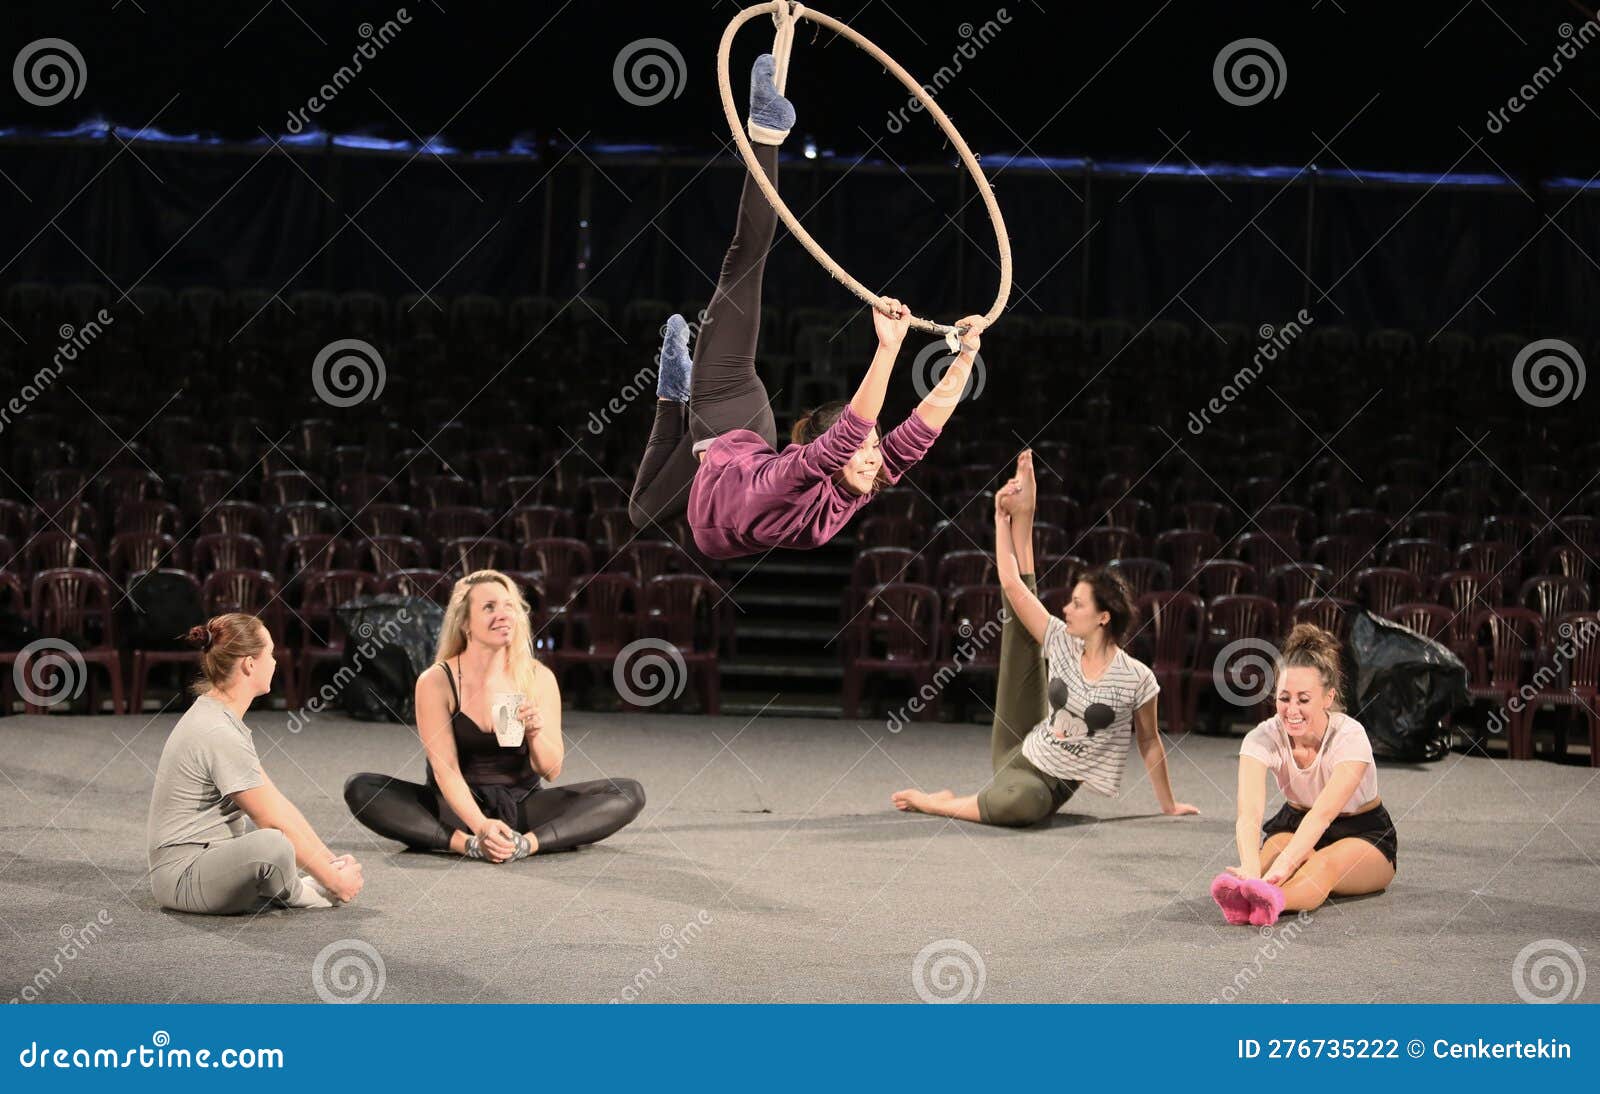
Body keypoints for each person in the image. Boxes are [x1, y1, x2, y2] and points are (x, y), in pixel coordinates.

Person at [627, 51, 987, 559]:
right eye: (870, 447)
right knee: (744, 263)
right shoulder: (849, 479)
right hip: (731, 419)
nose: (873, 457)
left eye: (863, 449)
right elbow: (921, 431)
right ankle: (767, 132)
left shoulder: (796, 477)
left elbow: (849, 435)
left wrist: (890, 351)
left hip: (725, 472)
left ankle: (671, 395)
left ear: (831, 457)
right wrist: (966, 357)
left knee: (641, 513)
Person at [892, 451, 1200, 826]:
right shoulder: (1063, 641)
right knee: (1021, 624)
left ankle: (943, 802)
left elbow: (1149, 741)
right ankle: (1026, 514)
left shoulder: (1137, 678)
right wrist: (1001, 518)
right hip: (1017, 746)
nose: (1067, 609)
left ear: (1103, 617)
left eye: (1077, 604)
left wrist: (1169, 804)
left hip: (1042, 787)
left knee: (1023, 803)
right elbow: (1013, 586)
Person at [344, 570, 644, 861]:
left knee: (628, 793)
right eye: (489, 607)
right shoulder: (436, 681)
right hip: (454, 807)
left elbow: (551, 771)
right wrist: (480, 826)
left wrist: (535, 733)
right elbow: (446, 770)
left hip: (522, 805)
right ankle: (468, 845)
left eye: (509, 606)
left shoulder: (538, 677)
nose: (503, 615)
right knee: (362, 788)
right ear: (465, 622)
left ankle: (525, 844)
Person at [146, 614, 363, 914]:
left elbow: (278, 806)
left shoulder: (220, 718)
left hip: (205, 865)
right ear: (249, 664)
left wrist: (330, 863)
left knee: (276, 839)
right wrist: (335, 883)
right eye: (270, 654)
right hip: (183, 878)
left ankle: (310, 884)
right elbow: (270, 821)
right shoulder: (218, 731)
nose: (274, 662)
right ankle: (305, 894)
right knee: (272, 844)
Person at [1210, 624, 1396, 926]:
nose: (1292, 710)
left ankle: (1273, 902)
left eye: (1303, 699)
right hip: (1294, 821)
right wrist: (1250, 867)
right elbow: (1249, 815)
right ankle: (1247, 897)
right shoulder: (1261, 738)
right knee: (1264, 861)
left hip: (1361, 831)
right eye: (1284, 698)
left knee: (1321, 865)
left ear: (1328, 697)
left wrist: (1285, 866)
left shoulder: (1350, 736)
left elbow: (1322, 816)